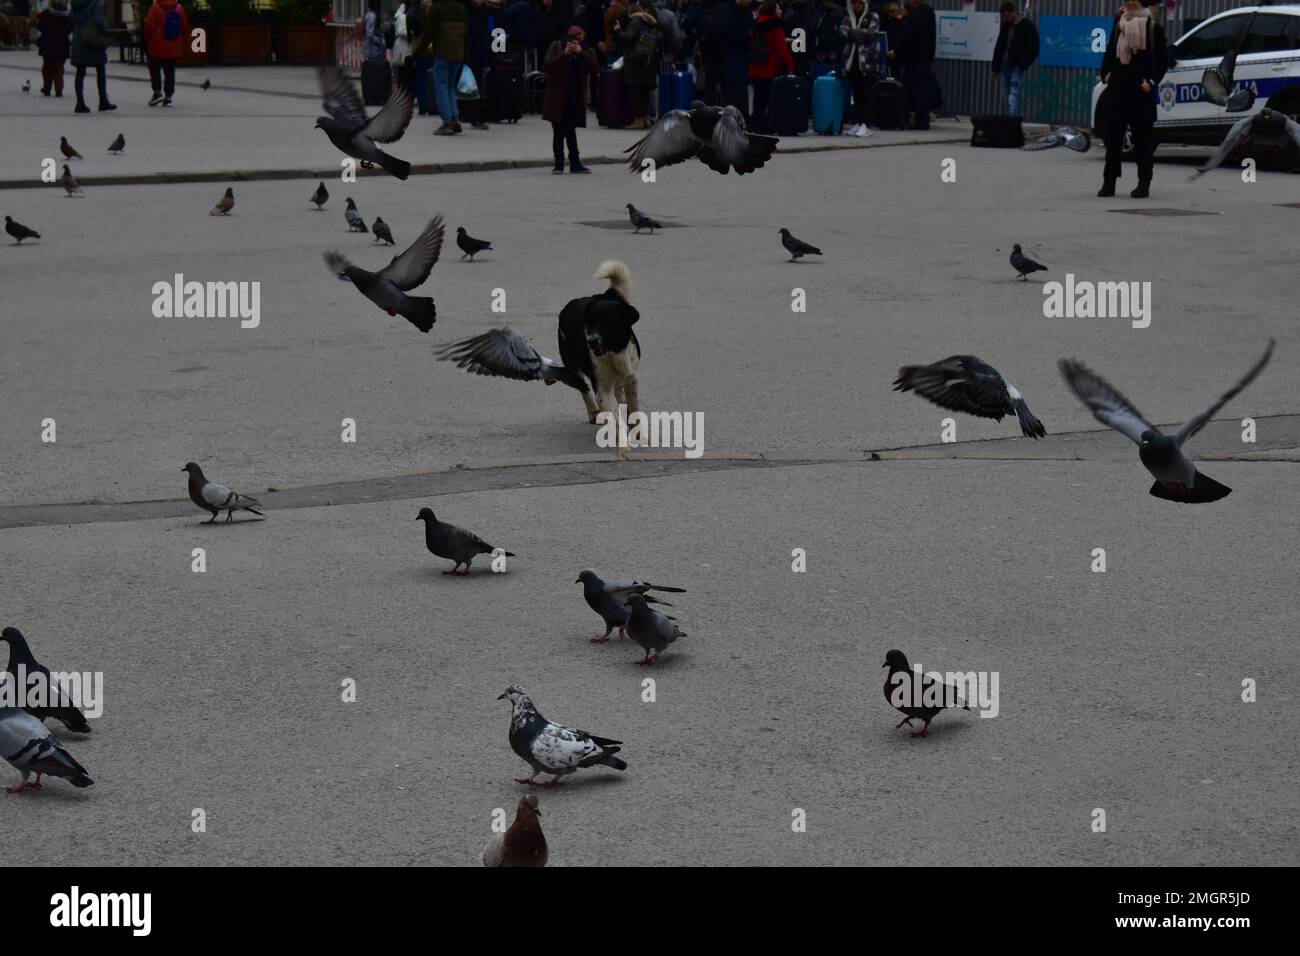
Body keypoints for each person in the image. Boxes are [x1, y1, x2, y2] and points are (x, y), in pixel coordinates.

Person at [1098, 0, 1166, 198]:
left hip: (1140, 91)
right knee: (1113, 139)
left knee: (1143, 140)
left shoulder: (1153, 28)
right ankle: (1109, 182)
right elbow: (1110, 52)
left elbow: (1162, 62)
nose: (1129, 2)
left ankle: (1144, 183)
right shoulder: (1120, 23)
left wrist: (1151, 82)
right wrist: (1106, 74)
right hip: (1118, 88)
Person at [543, 20, 597, 172]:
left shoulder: (586, 50)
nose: (575, 38)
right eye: (572, 35)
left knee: (571, 130)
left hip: (575, 96)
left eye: (578, 34)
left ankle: (575, 163)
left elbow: (593, 67)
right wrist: (565, 54)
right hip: (557, 97)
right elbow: (547, 67)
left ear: (584, 34)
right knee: (558, 131)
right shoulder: (557, 46)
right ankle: (558, 163)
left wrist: (580, 52)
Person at [415, 0, 469, 134]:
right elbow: (467, 34)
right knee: (451, 85)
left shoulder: (437, 8)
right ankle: (455, 117)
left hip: (443, 53)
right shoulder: (462, 8)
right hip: (458, 52)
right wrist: (466, 54)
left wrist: (417, 52)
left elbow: (429, 33)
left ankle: (447, 122)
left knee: (442, 85)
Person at [747, 1, 792, 133]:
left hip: (755, 64)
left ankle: (754, 124)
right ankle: (765, 126)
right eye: (778, 9)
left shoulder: (756, 23)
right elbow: (782, 49)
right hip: (769, 66)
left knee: (757, 98)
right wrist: (791, 66)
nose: (781, 11)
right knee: (767, 98)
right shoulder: (776, 26)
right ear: (772, 10)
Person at [990, 0, 1037, 118]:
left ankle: (1012, 120)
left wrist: (1024, 62)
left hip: (1016, 66)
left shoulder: (1026, 25)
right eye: (1004, 16)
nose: (1006, 18)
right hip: (1005, 66)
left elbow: (1034, 46)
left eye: (1008, 16)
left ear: (1014, 12)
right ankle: (1008, 119)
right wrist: (995, 67)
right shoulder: (1005, 26)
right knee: (1006, 94)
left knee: (1013, 94)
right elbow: (999, 46)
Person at [891, 0, 932, 129]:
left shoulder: (916, 15)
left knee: (916, 91)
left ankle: (919, 121)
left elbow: (907, 35)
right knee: (922, 89)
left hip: (915, 58)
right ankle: (922, 120)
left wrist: (896, 51)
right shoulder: (928, 12)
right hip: (925, 57)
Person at [620, 1, 660, 129]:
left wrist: (618, 32)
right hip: (647, 62)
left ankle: (638, 120)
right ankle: (645, 119)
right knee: (643, 92)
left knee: (635, 91)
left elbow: (629, 38)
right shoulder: (649, 22)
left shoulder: (636, 21)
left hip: (635, 62)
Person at [840, 0, 878, 136]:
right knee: (855, 94)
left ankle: (866, 125)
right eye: (855, 3)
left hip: (867, 63)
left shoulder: (873, 16)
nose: (857, 6)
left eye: (860, 3)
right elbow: (842, 31)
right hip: (852, 62)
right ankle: (858, 121)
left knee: (865, 93)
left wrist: (853, 32)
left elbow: (872, 33)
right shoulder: (847, 17)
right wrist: (859, 33)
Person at [142, 0, 189, 107]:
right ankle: (168, 97)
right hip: (174, 44)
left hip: (157, 45)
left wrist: (147, 38)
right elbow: (185, 26)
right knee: (170, 71)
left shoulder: (155, 8)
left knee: (154, 68)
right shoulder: (179, 8)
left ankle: (157, 92)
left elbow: (149, 26)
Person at [69, 0, 113, 112]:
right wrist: (105, 32)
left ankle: (80, 102)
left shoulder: (75, 3)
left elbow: (72, 19)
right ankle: (103, 101)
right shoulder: (96, 2)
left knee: (80, 71)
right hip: (93, 39)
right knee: (100, 69)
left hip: (79, 38)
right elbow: (99, 21)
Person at [718, 0, 752, 115]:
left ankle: (742, 118)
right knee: (733, 91)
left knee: (741, 91)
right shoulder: (728, 12)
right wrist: (746, 34)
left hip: (743, 56)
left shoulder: (746, 12)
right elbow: (725, 33)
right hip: (731, 55)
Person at [35, 0, 72, 97]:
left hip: (48, 43)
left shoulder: (47, 13)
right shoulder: (67, 14)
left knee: (47, 66)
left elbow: (40, 26)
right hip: (62, 44)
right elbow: (71, 27)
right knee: (59, 67)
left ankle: (47, 88)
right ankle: (59, 90)